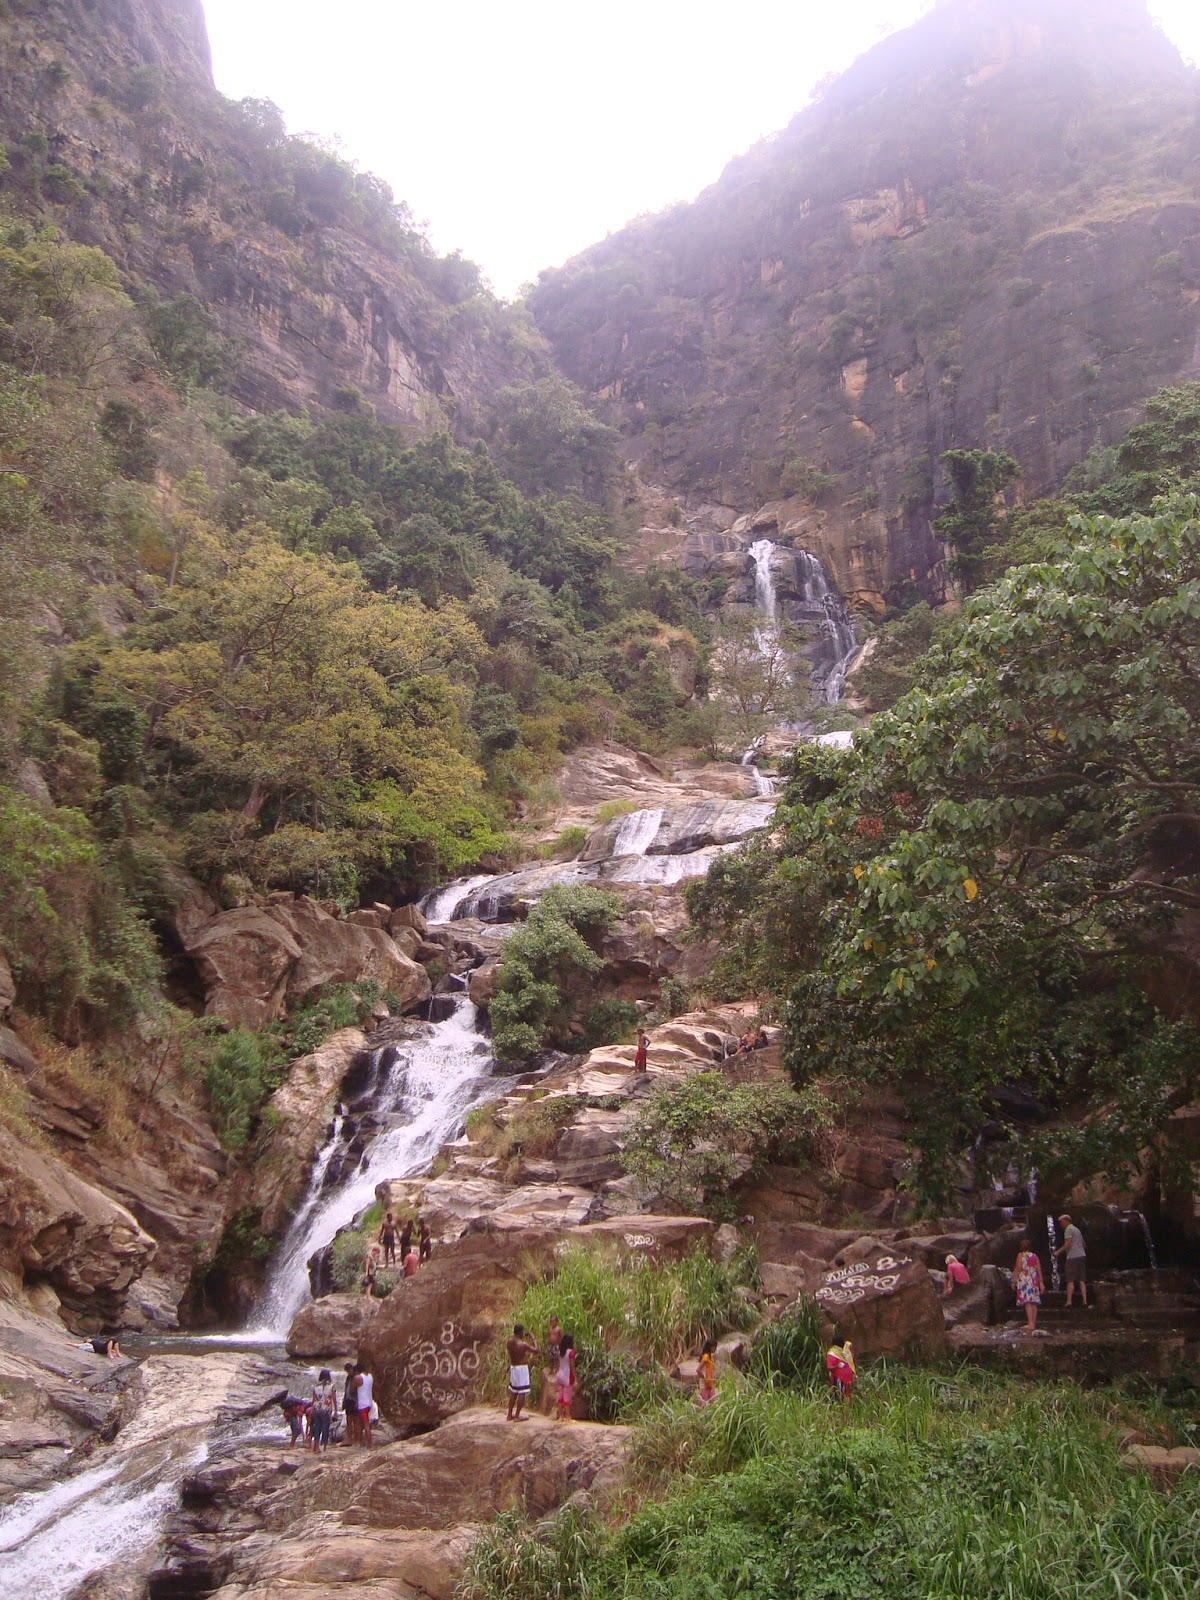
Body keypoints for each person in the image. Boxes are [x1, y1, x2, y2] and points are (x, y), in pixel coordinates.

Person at [1055, 1213, 1089, 1308]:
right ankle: (1085, 1301)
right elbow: (1084, 1244)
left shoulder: (1068, 1230)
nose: (1061, 1224)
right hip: (1082, 1255)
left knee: (1070, 1280)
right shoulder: (1077, 1230)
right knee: (1081, 1280)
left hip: (1073, 1257)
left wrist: (1058, 1252)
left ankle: (1069, 1301)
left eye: (1061, 1222)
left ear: (1066, 1221)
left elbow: (1068, 1243)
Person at [507, 1324, 540, 1421]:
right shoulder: (523, 1345)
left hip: (514, 1368)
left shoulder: (509, 1342)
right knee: (522, 1392)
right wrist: (533, 1339)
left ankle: (509, 1414)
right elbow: (536, 1350)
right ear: (520, 1332)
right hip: (522, 1369)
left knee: (514, 1392)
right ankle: (517, 1415)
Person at [1013, 1236, 1044, 1333]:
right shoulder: (1035, 1256)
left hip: (1025, 1280)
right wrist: (1041, 1282)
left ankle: (1030, 1323)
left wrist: (1013, 1281)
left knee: (1027, 1302)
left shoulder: (1021, 1256)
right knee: (1034, 1302)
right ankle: (1033, 1322)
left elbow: (1018, 1268)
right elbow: (1039, 1270)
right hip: (1034, 1280)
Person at [310, 1368, 338, 1453]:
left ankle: (317, 1446)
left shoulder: (316, 1386)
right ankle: (324, 1447)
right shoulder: (332, 1386)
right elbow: (333, 1398)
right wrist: (336, 1411)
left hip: (317, 1408)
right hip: (326, 1409)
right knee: (325, 1427)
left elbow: (314, 1399)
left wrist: (312, 1409)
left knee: (317, 1427)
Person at [555, 1333, 577, 1421]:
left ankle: (560, 1416)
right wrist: (575, 1378)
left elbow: (558, 1364)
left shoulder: (560, 1351)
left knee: (560, 1396)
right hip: (567, 1376)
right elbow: (572, 1366)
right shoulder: (571, 1352)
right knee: (567, 1397)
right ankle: (568, 1417)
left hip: (560, 1374)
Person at [355, 1363, 374, 1448]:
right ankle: (358, 1441)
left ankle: (370, 1444)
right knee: (359, 1422)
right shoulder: (370, 1376)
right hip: (369, 1402)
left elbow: (353, 1388)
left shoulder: (358, 1378)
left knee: (366, 1424)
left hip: (362, 1404)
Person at [342, 1361, 361, 1446]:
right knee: (349, 1421)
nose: (348, 1372)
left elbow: (359, 1391)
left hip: (354, 1400)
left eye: (349, 1370)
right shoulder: (348, 1378)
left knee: (356, 1422)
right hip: (348, 1401)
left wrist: (357, 1401)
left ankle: (357, 1440)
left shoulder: (356, 1378)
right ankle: (349, 1439)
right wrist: (343, 1402)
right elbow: (346, 1390)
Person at [696, 1338, 718, 1407]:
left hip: (710, 1383)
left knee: (712, 1402)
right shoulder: (706, 1356)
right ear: (711, 1347)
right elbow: (698, 1370)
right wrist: (705, 1379)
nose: (715, 1349)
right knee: (705, 1403)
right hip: (706, 1384)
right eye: (714, 1347)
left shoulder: (710, 1357)